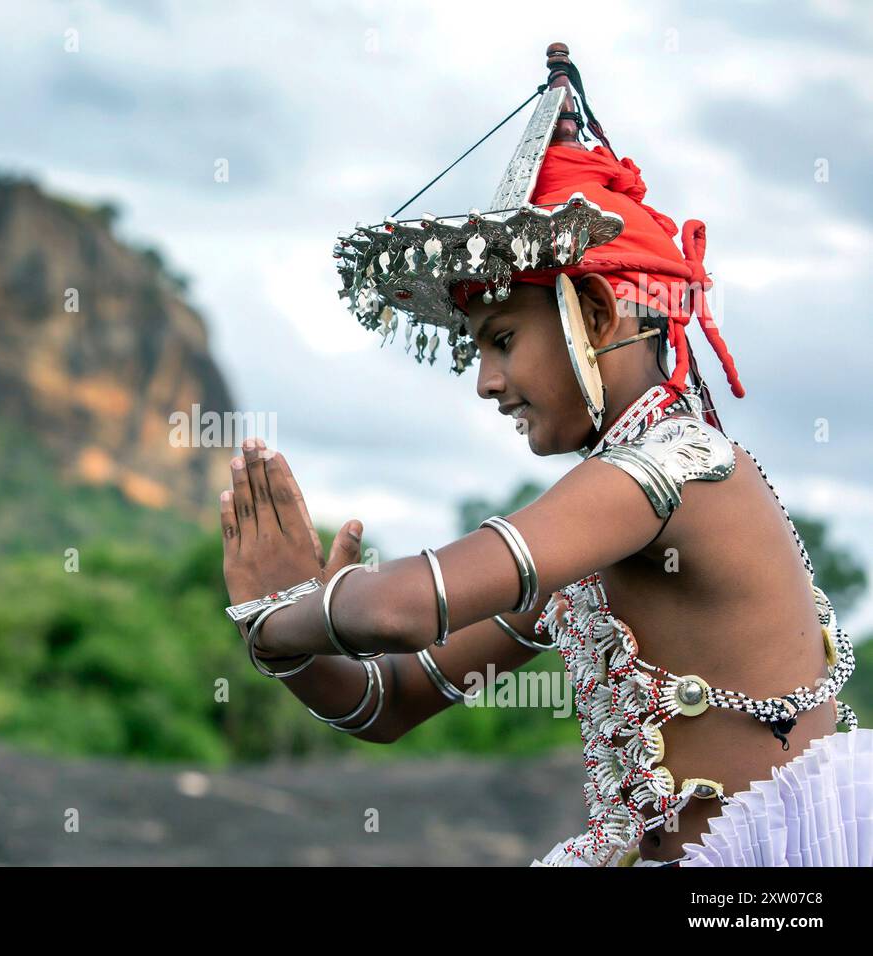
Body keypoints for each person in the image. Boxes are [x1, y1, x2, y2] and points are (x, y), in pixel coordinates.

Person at [218, 44, 867, 867]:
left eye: (501, 340)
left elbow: (397, 610)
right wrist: (287, 637)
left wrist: (289, 615)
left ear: (594, 314)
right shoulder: (601, 522)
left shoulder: (675, 469)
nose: (486, 382)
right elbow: (391, 697)